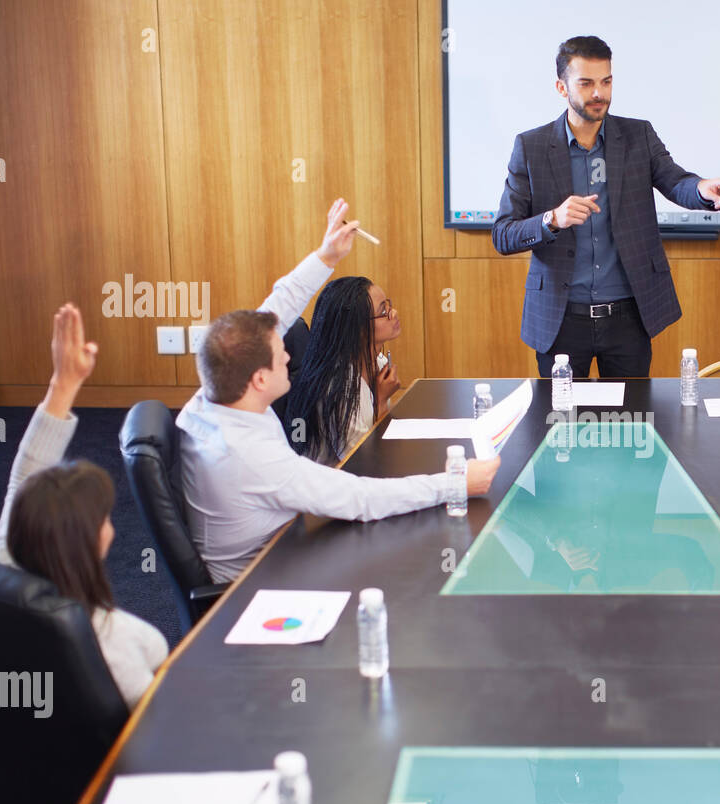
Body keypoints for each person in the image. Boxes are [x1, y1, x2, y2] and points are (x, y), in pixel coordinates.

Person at [177, 199, 499, 583]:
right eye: (281, 355)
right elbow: (362, 499)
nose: (290, 355)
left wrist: (326, 255)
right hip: (262, 580)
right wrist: (454, 483)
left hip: (287, 537)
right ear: (260, 379)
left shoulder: (214, 392)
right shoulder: (256, 460)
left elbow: (280, 302)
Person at [492, 35, 720, 379]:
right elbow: (503, 234)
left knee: (630, 423)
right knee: (559, 427)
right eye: (587, 83)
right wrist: (552, 219)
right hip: (560, 319)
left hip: (627, 317)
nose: (599, 93)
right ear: (562, 88)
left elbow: (675, 180)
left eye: (606, 81)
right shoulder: (531, 147)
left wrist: (701, 189)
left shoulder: (638, 136)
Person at [0, 304, 168, 710]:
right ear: (87, 542)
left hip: (16, 771)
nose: (113, 528)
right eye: (105, 518)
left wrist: (63, 384)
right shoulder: (118, 642)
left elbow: (24, 477)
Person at [281, 276, 402, 464]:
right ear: (358, 328)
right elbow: (361, 462)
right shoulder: (337, 384)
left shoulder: (376, 361)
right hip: (328, 485)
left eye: (388, 306)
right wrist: (381, 400)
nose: (393, 313)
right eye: (383, 311)